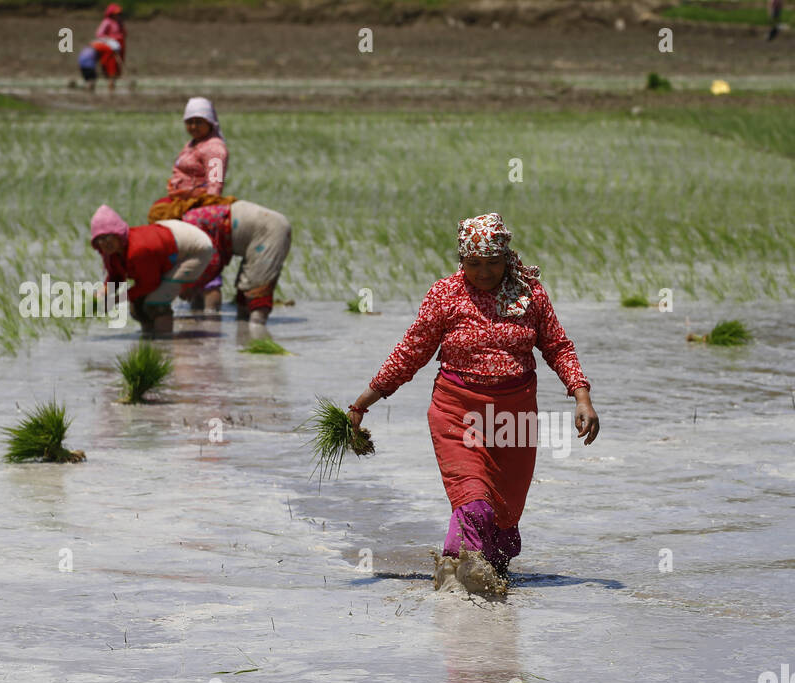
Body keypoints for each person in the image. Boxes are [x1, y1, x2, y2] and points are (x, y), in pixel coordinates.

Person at [347, 213, 600, 595]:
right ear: (461, 259)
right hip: (456, 412)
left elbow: (557, 347)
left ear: (507, 256)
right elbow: (411, 352)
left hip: (515, 419)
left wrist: (581, 396)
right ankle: (456, 585)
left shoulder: (529, 294)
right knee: (474, 502)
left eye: (493, 263)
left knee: (504, 515)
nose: (484, 273)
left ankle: (488, 601)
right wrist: (366, 400)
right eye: (474, 264)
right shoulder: (445, 295)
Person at [89, 204, 214, 336]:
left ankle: (163, 345)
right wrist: (102, 293)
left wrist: (116, 300)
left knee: (156, 302)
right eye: (99, 239)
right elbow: (116, 277)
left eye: (107, 237)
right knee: (137, 305)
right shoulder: (111, 252)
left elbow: (150, 284)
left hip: (195, 247)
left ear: (119, 235)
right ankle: (150, 339)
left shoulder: (139, 250)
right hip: (167, 241)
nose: (104, 243)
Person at [155, 98, 230, 313]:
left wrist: (204, 211)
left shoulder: (214, 148)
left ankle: (211, 319)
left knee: (207, 265)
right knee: (191, 264)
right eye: (190, 122)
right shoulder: (194, 144)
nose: (194, 127)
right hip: (186, 211)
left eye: (199, 121)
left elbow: (215, 184)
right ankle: (196, 316)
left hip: (202, 213)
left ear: (211, 123)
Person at [179, 200, 293, 324]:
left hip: (271, 230)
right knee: (244, 293)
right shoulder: (188, 221)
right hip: (262, 227)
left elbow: (212, 261)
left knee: (257, 286)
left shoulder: (190, 226)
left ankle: (258, 332)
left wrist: (191, 286)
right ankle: (243, 335)